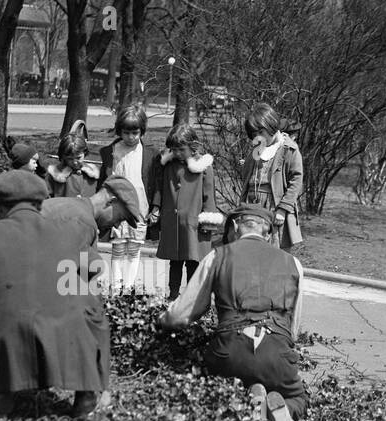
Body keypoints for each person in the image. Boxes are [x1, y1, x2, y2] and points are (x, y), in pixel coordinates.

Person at [0, 169, 109, 419]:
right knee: (87, 309)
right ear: (41, 202)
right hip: (66, 340)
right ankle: (85, 390)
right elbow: (94, 269)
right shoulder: (69, 231)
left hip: (8, 343)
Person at [157, 203, 306, 421]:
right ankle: (281, 410)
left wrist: (161, 320)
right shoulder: (293, 263)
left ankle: (249, 402)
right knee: (299, 396)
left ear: (235, 227)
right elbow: (294, 330)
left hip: (231, 350)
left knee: (215, 389)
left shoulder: (217, 256)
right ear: (268, 234)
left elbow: (182, 315)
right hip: (276, 351)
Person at [149, 123, 224, 301]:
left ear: (193, 147)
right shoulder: (167, 165)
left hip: (193, 224)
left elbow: (208, 196)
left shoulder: (203, 167)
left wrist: (208, 222)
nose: (177, 153)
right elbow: (160, 188)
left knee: (193, 261)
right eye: (174, 150)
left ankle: (191, 297)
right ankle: (173, 295)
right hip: (173, 222)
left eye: (181, 149)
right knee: (174, 261)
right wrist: (156, 208)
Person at [97, 105, 155, 292]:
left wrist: (156, 207)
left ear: (142, 131)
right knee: (118, 248)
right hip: (117, 208)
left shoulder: (150, 154)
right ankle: (116, 287)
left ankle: (129, 288)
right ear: (120, 131)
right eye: (126, 132)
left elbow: (155, 182)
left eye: (135, 132)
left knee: (134, 249)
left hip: (140, 207)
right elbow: (103, 181)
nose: (131, 137)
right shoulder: (112, 151)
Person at [237, 102, 304, 250]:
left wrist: (283, 209)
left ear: (271, 125)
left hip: (274, 205)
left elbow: (296, 180)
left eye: (261, 132)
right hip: (252, 204)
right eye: (254, 135)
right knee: (250, 249)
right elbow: (249, 177)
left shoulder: (289, 149)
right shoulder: (257, 149)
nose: (258, 137)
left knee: (273, 251)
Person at [45, 121, 100, 199]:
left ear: (84, 153)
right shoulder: (54, 174)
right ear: (63, 156)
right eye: (70, 158)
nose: (74, 162)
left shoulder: (93, 175)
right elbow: (47, 198)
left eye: (78, 158)